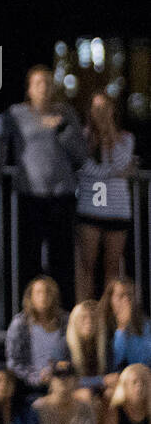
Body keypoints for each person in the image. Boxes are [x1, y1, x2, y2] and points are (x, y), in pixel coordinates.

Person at [0, 66, 87, 308]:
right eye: (38, 83)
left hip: (62, 195)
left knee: (62, 259)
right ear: (29, 89)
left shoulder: (66, 113)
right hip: (30, 195)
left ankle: (63, 312)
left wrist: (62, 130)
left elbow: (81, 154)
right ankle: (29, 313)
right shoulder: (16, 114)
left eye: (47, 83)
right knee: (28, 258)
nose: (43, 88)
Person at [75, 91, 136, 303]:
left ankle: (108, 315)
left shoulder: (126, 138)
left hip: (117, 209)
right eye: (96, 108)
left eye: (105, 108)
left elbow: (120, 162)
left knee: (113, 266)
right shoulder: (81, 137)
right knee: (87, 266)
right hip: (90, 207)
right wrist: (115, 172)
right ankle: (85, 311)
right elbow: (86, 167)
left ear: (112, 110)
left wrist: (109, 135)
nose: (100, 113)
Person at [5, 276, 70, 391]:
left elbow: (70, 357)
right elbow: (14, 362)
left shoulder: (65, 321)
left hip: (61, 380)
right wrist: (37, 377)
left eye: (48, 292)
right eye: (38, 293)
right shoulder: (20, 324)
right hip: (27, 384)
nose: (43, 297)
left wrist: (56, 371)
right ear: (31, 297)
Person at [101, 276, 151, 372]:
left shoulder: (145, 324)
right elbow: (111, 363)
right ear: (110, 299)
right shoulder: (101, 324)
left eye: (130, 295)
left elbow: (144, 361)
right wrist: (122, 329)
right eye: (121, 295)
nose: (126, 300)